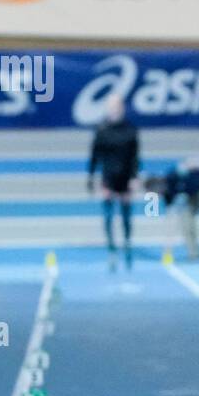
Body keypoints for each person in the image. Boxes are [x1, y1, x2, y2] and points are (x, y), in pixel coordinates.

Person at [87, 93, 140, 271]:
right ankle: (111, 246)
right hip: (108, 177)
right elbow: (95, 155)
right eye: (111, 106)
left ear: (122, 108)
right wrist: (91, 177)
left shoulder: (130, 129)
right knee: (108, 215)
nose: (114, 109)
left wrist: (134, 177)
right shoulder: (101, 130)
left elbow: (135, 157)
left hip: (125, 177)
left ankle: (127, 241)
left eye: (117, 106)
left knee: (126, 214)